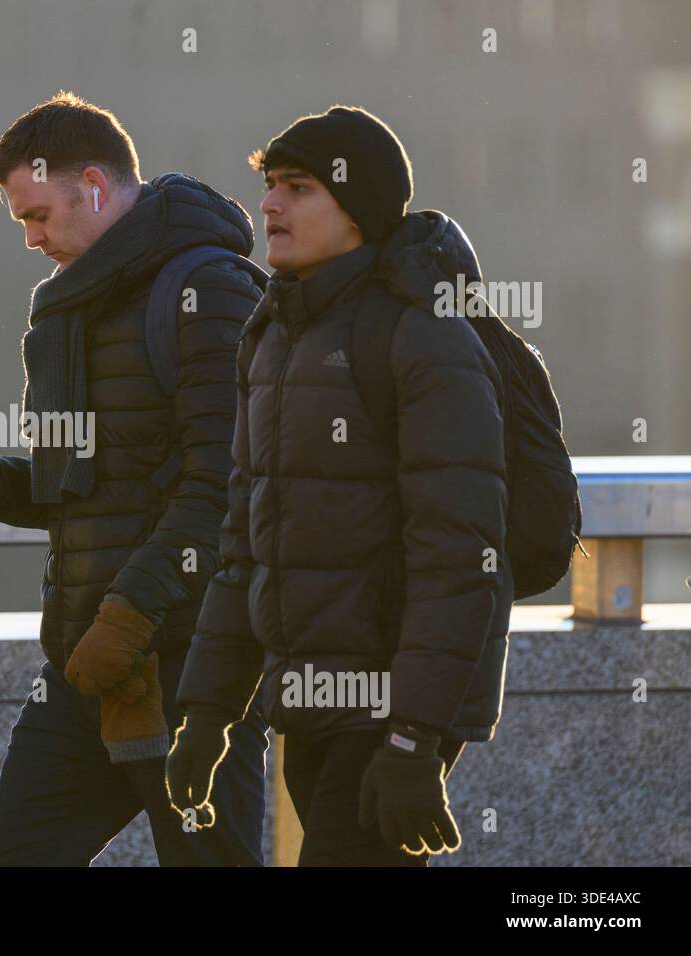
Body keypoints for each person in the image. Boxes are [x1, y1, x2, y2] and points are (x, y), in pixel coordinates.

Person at [0, 92, 268, 866]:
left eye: (37, 215)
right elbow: (94, 487)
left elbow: (228, 485)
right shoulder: (68, 308)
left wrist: (130, 613)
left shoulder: (209, 289)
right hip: (82, 667)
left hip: (190, 669)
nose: (31, 239)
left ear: (95, 184)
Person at [167, 106, 513, 866]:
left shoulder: (422, 334)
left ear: (357, 211)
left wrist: (414, 735)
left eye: (297, 188)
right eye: (269, 185)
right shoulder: (274, 332)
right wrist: (206, 712)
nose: (269, 205)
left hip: (389, 706)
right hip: (311, 697)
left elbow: (459, 556)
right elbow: (244, 541)